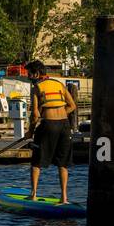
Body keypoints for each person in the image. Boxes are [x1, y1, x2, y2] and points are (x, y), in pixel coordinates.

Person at [26, 60, 76, 204]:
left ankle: (34, 194)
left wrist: (30, 132)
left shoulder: (37, 87)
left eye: (29, 74)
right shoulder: (59, 84)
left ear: (36, 73)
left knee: (36, 161)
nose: (29, 77)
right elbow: (72, 106)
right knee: (62, 163)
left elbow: (35, 114)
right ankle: (64, 198)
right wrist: (60, 115)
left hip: (48, 126)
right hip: (64, 126)